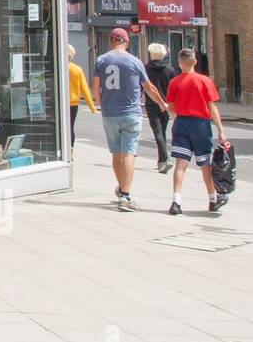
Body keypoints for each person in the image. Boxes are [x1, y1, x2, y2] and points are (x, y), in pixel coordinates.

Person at [92, 27, 168, 212]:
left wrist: (103, 104)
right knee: (128, 153)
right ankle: (125, 195)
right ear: (126, 42)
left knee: (116, 154)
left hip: (110, 114)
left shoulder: (101, 60)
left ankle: (122, 189)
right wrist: (162, 103)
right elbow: (148, 87)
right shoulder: (135, 62)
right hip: (130, 113)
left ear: (111, 41)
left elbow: (95, 88)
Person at [166, 47, 229, 215]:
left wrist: (176, 120)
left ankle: (176, 201)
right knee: (204, 164)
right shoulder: (204, 81)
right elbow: (212, 107)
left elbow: (171, 107)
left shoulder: (174, 82)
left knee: (181, 163)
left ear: (179, 64)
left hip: (181, 122)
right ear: (195, 62)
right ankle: (212, 199)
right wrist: (221, 131)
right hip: (200, 124)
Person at [144, 43, 177, 175]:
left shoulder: (145, 69)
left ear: (151, 54)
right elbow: (173, 89)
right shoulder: (170, 71)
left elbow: (143, 87)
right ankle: (161, 160)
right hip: (166, 105)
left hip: (152, 104)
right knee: (162, 131)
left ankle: (164, 159)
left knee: (157, 131)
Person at [66, 44, 95, 149]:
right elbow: (85, 89)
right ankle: (71, 149)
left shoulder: (59, 68)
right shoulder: (77, 69)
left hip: (60, 103)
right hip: (73, 103)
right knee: (70, 127)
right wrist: (92, 107)